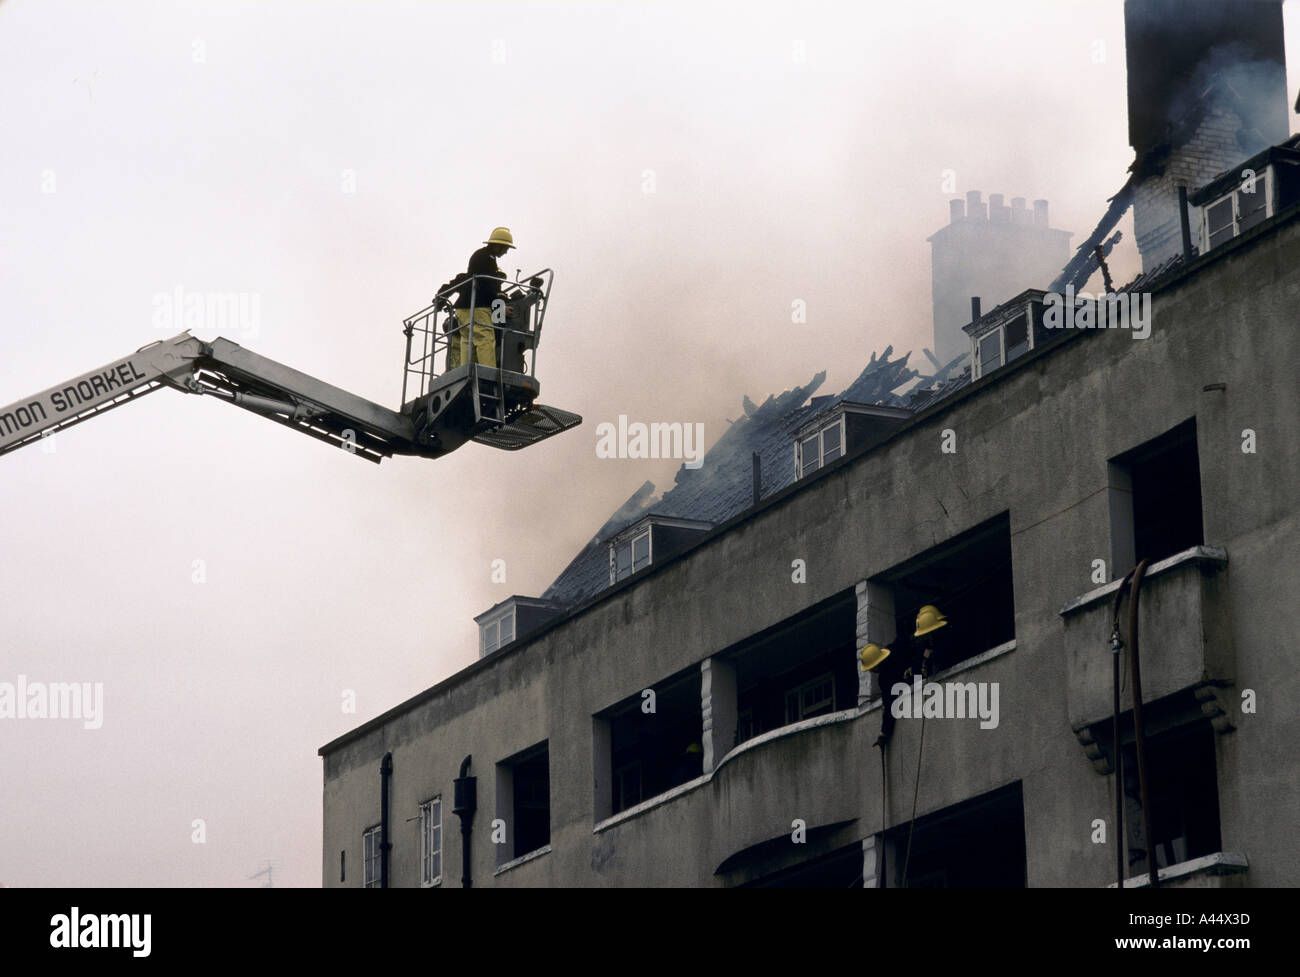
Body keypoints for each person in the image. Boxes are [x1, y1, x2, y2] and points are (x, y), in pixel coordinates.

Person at [447, 227, 515, 370]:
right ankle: (488, 373)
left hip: (462, 309)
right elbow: (486, 287)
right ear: (498, 246)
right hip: (478, 307)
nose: (506, 251)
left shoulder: (479, 256)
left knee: (468, 340)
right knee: (485, 338)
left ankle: (466, 371)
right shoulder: (487, 259)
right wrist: (501, 308)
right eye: (505, 248)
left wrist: (440, 299)